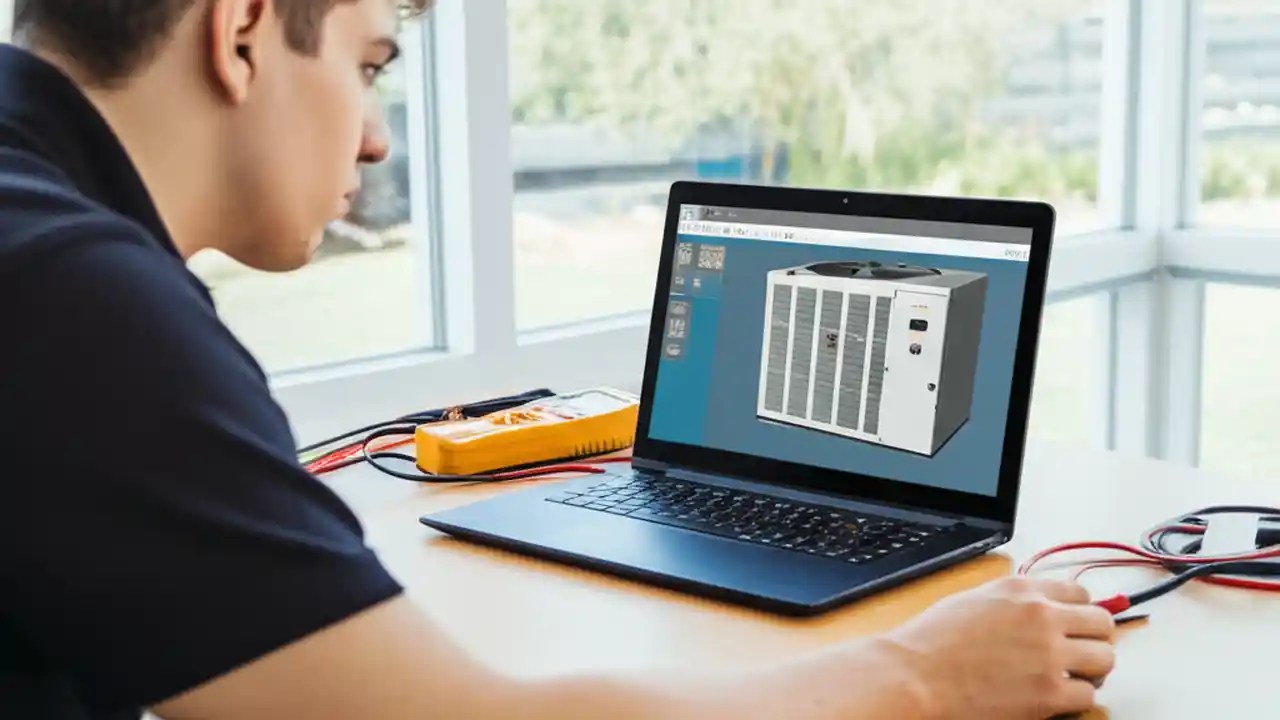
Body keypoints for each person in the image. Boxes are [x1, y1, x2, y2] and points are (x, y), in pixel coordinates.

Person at [0, 1, 1117, 718]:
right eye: (372, 64)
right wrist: (921, 677)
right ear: (241, 29)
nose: (377, 136)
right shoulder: (75, 301)